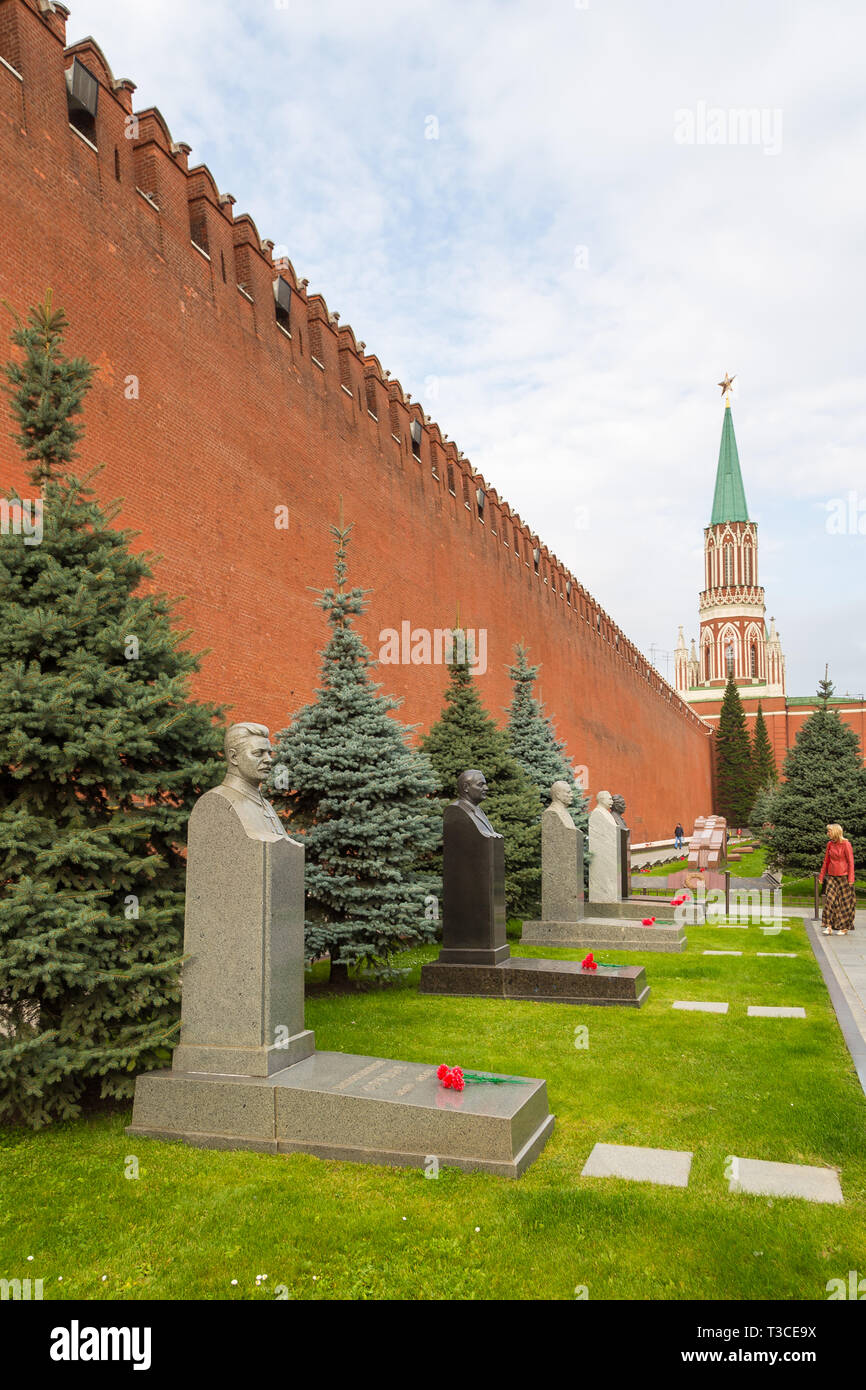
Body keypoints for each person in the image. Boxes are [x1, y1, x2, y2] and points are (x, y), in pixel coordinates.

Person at [819, 823, 856, 936]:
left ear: (835, 832)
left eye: (829, 831)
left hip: (844, 877)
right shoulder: (830, 844)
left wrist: (851, 878)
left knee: (844, 903)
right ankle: (828, 926)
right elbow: (826, 861)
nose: (827, 833)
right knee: (830, 901)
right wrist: (821, 876)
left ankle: (844, 927)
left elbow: (850, 862)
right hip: (831, 877)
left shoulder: (846, 844)